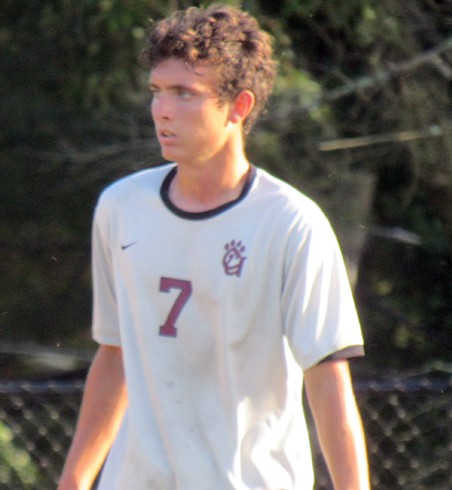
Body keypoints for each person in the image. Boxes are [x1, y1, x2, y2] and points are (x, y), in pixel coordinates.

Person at [58, 4, 370, 489]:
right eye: (157, 92)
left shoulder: (291, 225)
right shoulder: (121, 209)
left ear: (239, 107)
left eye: (185, 93)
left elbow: (328, 384)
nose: (162, 109)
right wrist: (74, 479)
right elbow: (115, 354)